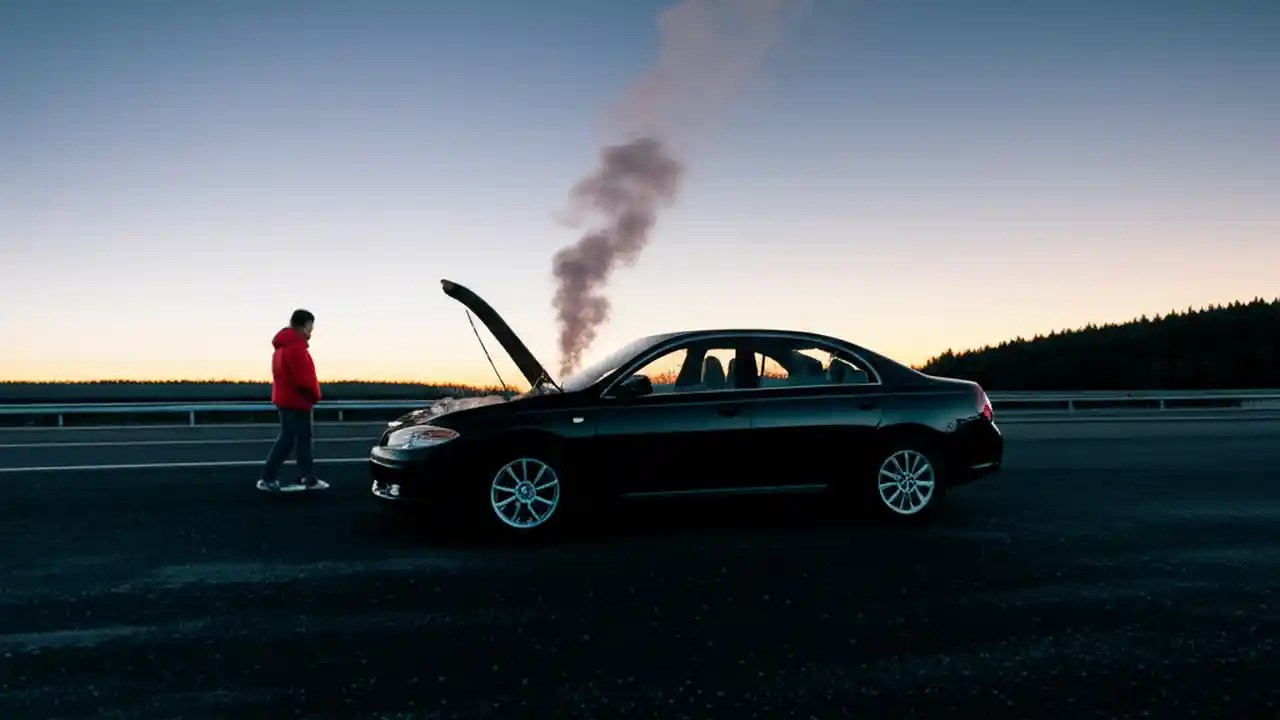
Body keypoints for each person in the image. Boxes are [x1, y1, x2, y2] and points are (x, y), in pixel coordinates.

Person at [257, 309, 329, 491]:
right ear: (304, 325)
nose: (312, 330)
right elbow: (303, 379)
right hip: (297, 402)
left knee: (292, 440)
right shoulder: (296, 348)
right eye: (310, 325)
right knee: (296, 440)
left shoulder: (282, 347)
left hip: (286, 400)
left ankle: (304, 478)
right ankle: (278, 478)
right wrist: (315, 395)